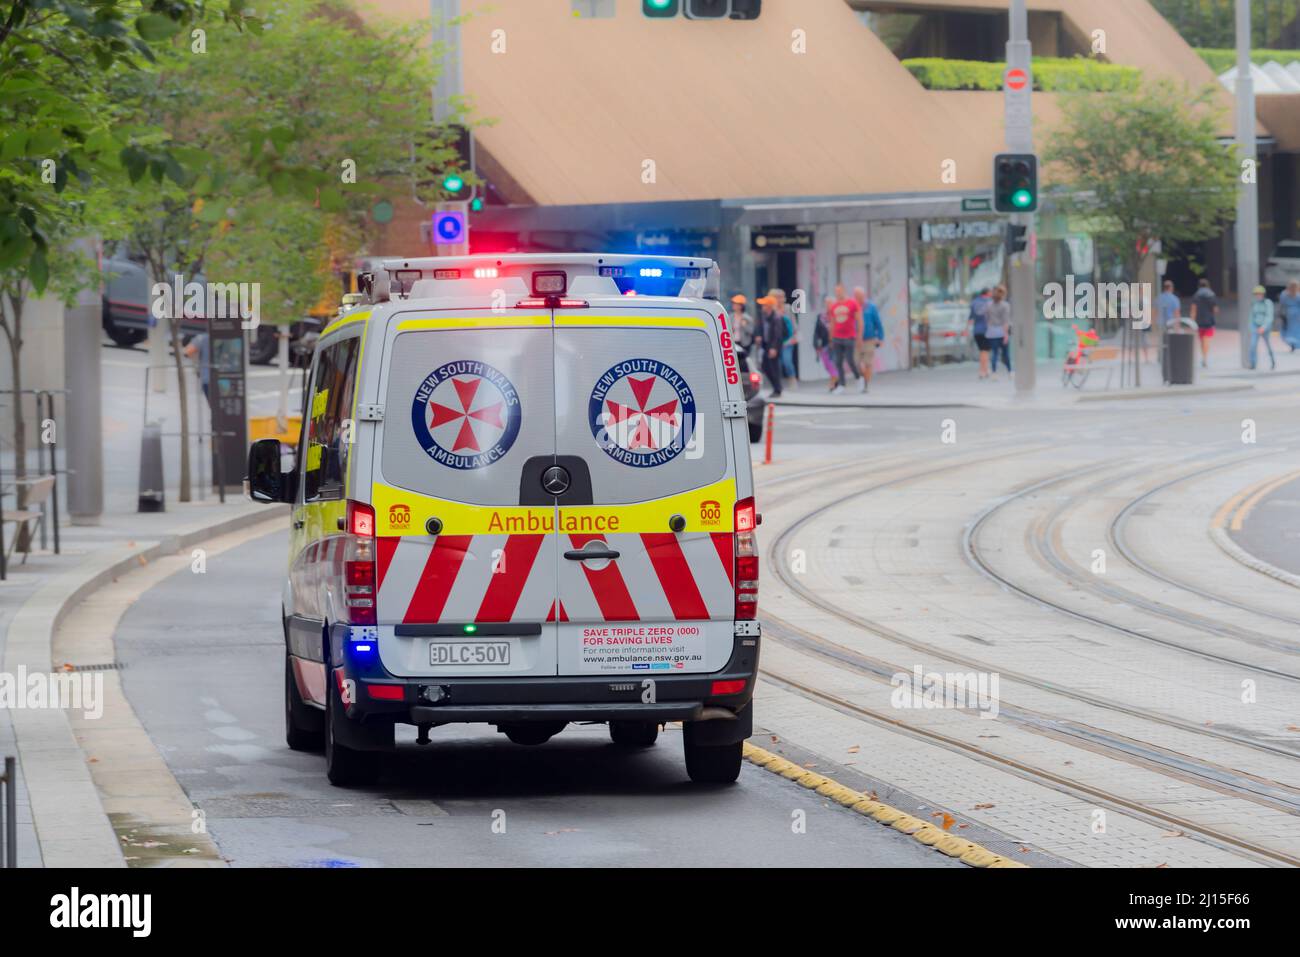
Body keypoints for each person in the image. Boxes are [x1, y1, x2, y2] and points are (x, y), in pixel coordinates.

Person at [826, 284, 862, 394]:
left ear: (844, 291)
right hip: (837, 337)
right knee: (838, 361)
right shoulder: (834, 306)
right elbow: (832, 322)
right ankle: (842, 384)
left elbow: (859, 320)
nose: (838, 293)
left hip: (849, 336)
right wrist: (831, 338)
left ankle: (859, 378)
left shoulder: (852, 303)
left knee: (850, 360)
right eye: (836, 291)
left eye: (839, 291)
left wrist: (859, 336)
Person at [854, 286, 884, 393]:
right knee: (855, 362)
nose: (857, 297)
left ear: (864, 296)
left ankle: (865, 385)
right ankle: (862, 379)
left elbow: (878, 323)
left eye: (859, 296)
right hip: (856, 340)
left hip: (869, 340)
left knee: (867, 363)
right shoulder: (853, 306)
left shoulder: (871, 307)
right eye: (855, 295)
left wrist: (880, 337)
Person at [755, 294, 785, 397]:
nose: (762, 307)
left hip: (773, 346)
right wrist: (759, 336)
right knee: (765, 367)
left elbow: (777, 334)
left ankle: (778, 389)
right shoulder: (763, 316)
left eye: (764, 305)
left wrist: (774, 348)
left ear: (769, 306)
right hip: (766, 345)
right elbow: (759, 329)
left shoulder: (776, 318)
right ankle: (776, 387)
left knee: (774, 368)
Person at [1188, 278, 1218, 367]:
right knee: (1207, 339)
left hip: (1199, 321)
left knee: (1202, 340)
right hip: (1209, 320)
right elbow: (1215, 309)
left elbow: (1193, 309)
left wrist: (1192, 320)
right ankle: (1205, 357)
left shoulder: (1196, 295)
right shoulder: (1212, 295)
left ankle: (1203, 356)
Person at [985, 285, 1012, 379]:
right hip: (1001, 331)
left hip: (991, 332)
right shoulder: (1005, 305)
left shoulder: (988, 305)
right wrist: (1006, 335)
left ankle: (994, 373)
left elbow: (986, 319)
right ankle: (1010, 372)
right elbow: (1005, 321)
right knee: (1006, 354)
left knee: (994, 353)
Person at [1249, 285, 1277, 371]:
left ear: (1263, 294)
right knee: (1253, 345)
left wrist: (1263, 327)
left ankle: (1273, 361)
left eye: (1259, 294)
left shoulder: (1268, 303)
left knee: (1268, 345)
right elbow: (1251, 316)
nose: (1258, 296)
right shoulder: (1254, 303)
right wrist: (1252, 326)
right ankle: (1253, 364)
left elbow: (1269, 317)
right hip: (1256, 326)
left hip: (1265, 327)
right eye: (1256, 294)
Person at [967, 287, 992, 379]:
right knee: (985, 351)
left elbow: (970, 317)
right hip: (987, 330)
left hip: (977, 330)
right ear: (988, 293)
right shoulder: (990, 302)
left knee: (982, 351)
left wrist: (966, 329)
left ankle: (984, 369)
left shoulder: (974, 302)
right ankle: (983, 370)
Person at [183, 331, 211, 401]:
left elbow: (188, 352)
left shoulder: (199, 339)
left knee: (213, 404)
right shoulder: (207, 336)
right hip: (221, 376)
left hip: (207, 378)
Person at [815, 297, 836, 382]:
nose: (828, 305)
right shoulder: (821, 316)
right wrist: (816, 345)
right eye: (827, 303)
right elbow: (817, 332)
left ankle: (834, 382)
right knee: (827, 364)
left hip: (836, 342)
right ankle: (835, 378)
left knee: (834, 363)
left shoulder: (837, 315)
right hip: (824, 343)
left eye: (830, 303)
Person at [1280, 280, 1300, 353]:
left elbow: (1282, 303)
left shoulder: (1284, 294)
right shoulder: (1298, 295)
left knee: (1289, 330)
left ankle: (1292, 345)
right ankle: (1294, 345)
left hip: (1288, 314)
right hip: (1297, 314)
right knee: (1296, 331)